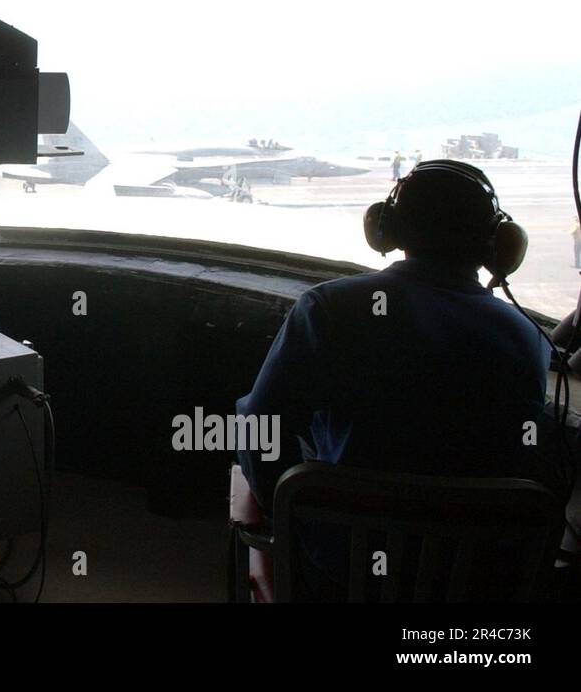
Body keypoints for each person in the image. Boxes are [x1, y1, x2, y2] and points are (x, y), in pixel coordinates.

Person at [235, 160, 557, 598]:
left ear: (388, 230)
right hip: (460, 580)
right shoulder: (526, 340)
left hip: (338, 569)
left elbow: (259, 427)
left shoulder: (328, 309)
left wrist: (300, 519)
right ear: (497, 246)